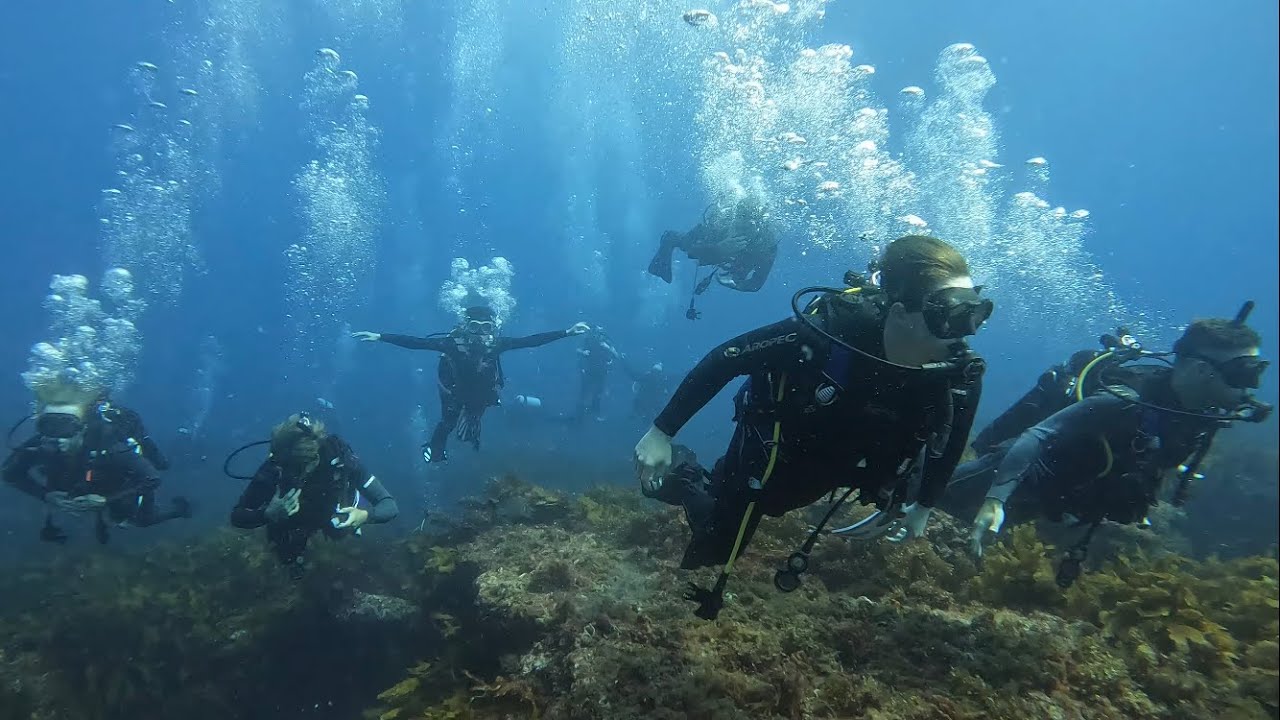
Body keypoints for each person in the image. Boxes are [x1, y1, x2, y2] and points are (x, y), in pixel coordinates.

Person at [633, 235, 992, 618]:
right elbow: (727, 357)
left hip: (839, 461)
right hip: (775, 451)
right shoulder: (830, 333)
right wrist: (660, 433)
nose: (965, 332)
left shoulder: (956, 374)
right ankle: (686, 476)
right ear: (902, 313)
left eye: (977, 313)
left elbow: (952, 438)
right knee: (717, 546)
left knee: (787, 501)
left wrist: (921, 505)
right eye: (950, 316)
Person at [967, 306, 1271, 588]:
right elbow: (1038, 434)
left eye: (1258, 371)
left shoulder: (1199, 414)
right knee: (929, 495)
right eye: (1243, 373)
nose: (1251, 387)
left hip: (1061, 500)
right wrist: (995, 500)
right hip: (1018, 477)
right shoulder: (1123, 400)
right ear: (1202, 371)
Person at [353, 307, 590, 463]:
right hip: (455, 392)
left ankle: (468, 438)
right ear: (465, 326)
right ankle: (435, 448)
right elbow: (416, 343)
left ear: (492, 328)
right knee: (448, 422)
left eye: (486, 328)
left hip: (481, 394)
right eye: (474, 327)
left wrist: (566, 332)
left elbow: (531, 341)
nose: (480, 334)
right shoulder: (451, 344)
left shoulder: (496, 344)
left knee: (476, 416)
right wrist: (381, 336)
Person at [3, 382, 191, 544]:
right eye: (49, 426)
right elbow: (9, 473)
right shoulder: (42, 444)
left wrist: (107, 500)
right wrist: (46, 495)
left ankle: (180, 509)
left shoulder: (108, 444)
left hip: (117, 483)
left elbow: (152, 478)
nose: (57, 436)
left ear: (84, 427)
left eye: (66, 426)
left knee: (142, 520)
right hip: (81, 483)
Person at [230, 413, 398, 575]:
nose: (292, 473)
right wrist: (267, 514)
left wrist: (364, 515)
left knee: (342, 537)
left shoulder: (340, 459)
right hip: (294, 524)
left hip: (333, 515)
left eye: (297, 468)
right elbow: (237, 516)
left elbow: (389, 505)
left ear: (314, 459)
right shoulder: (274, 468)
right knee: (284, 554)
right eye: (287, 466)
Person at [648, 195, 779, 319]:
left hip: (739, 260)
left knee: (740, 270)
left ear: (758, 227)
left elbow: (756, 283)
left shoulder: (766, 245)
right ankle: (669, 239)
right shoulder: (721, 225)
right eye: (739, 224)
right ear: (734, 219)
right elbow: (692, 253)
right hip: (713, 245)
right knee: (684, 243)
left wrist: (737, 284)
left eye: (748, 227)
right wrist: (718, 249)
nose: (741, 232)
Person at [574, 326, 618, 423]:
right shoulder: (588, 340)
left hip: (601, 371)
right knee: (584, 391)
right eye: (597, 333)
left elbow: (616, 355)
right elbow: (577, 350)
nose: (599, 335)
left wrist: (608, 348)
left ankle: (594, 410)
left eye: (601, 333)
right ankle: (579, 415)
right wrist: (583, 352)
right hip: (589, 369)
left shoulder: (607, 342)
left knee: (598, 392)